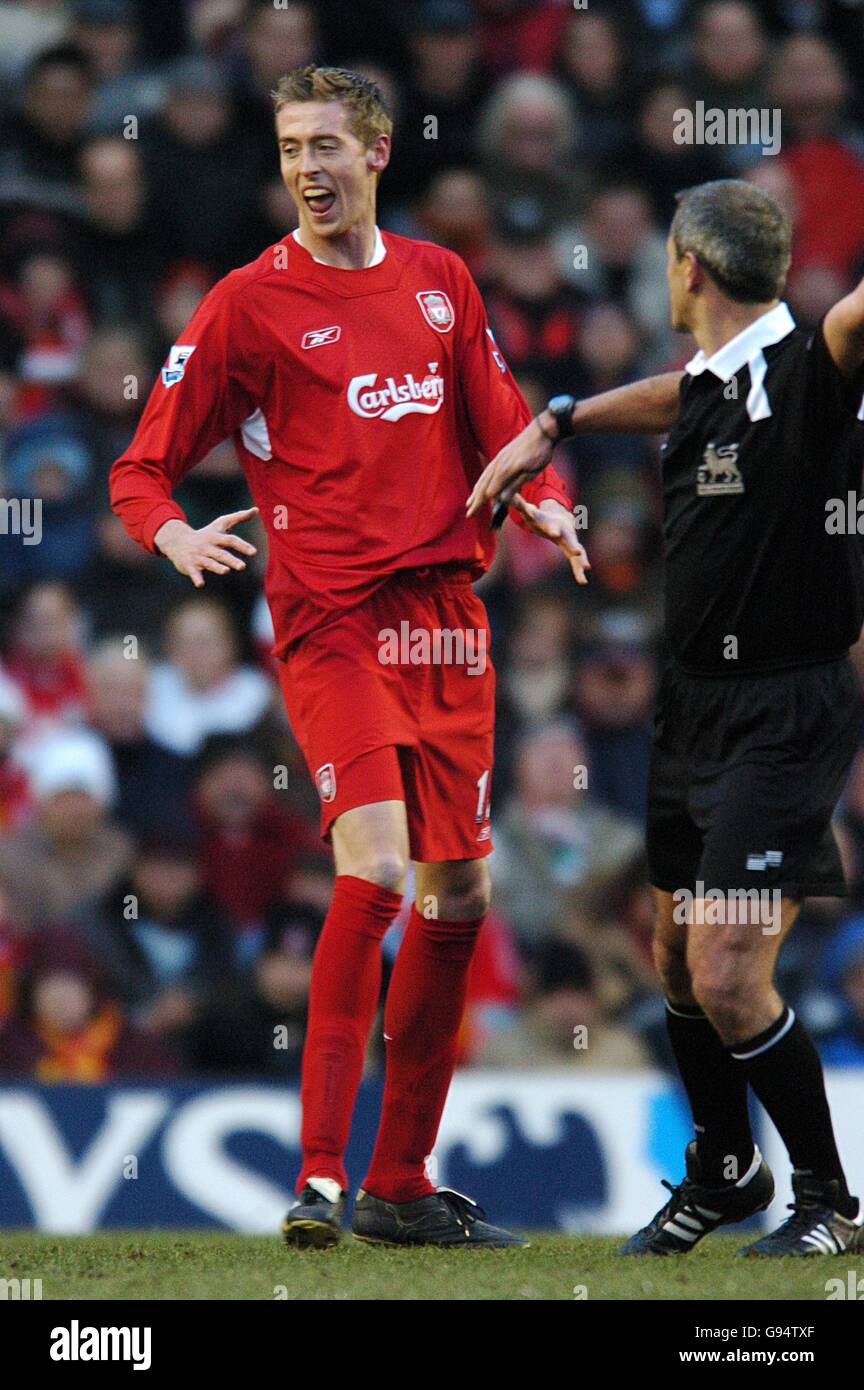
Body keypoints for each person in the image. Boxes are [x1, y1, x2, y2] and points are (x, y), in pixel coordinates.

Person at [110, 64, 587, 1250]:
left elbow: (504, 425)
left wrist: (550, 501)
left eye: (327, 145)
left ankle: (401, 1183)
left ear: (378, 154)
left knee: (459, 889)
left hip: (448, 628)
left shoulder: (441, 282)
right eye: (290, 148)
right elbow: (138, 466)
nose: (308, 169)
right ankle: (317, 1176)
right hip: (332, 625)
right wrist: (171, 534)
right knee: (372, 870)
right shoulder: (245, 303)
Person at [469, 177, 864, 1257]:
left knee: (733, 969)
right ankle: (725, 1171)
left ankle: (830, 1201)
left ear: (686, 266)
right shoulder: (715, 381)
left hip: (784, 706)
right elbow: (682, 395)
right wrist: (560, 419)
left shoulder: (815, 368)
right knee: (679, 956)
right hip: (692, 705)